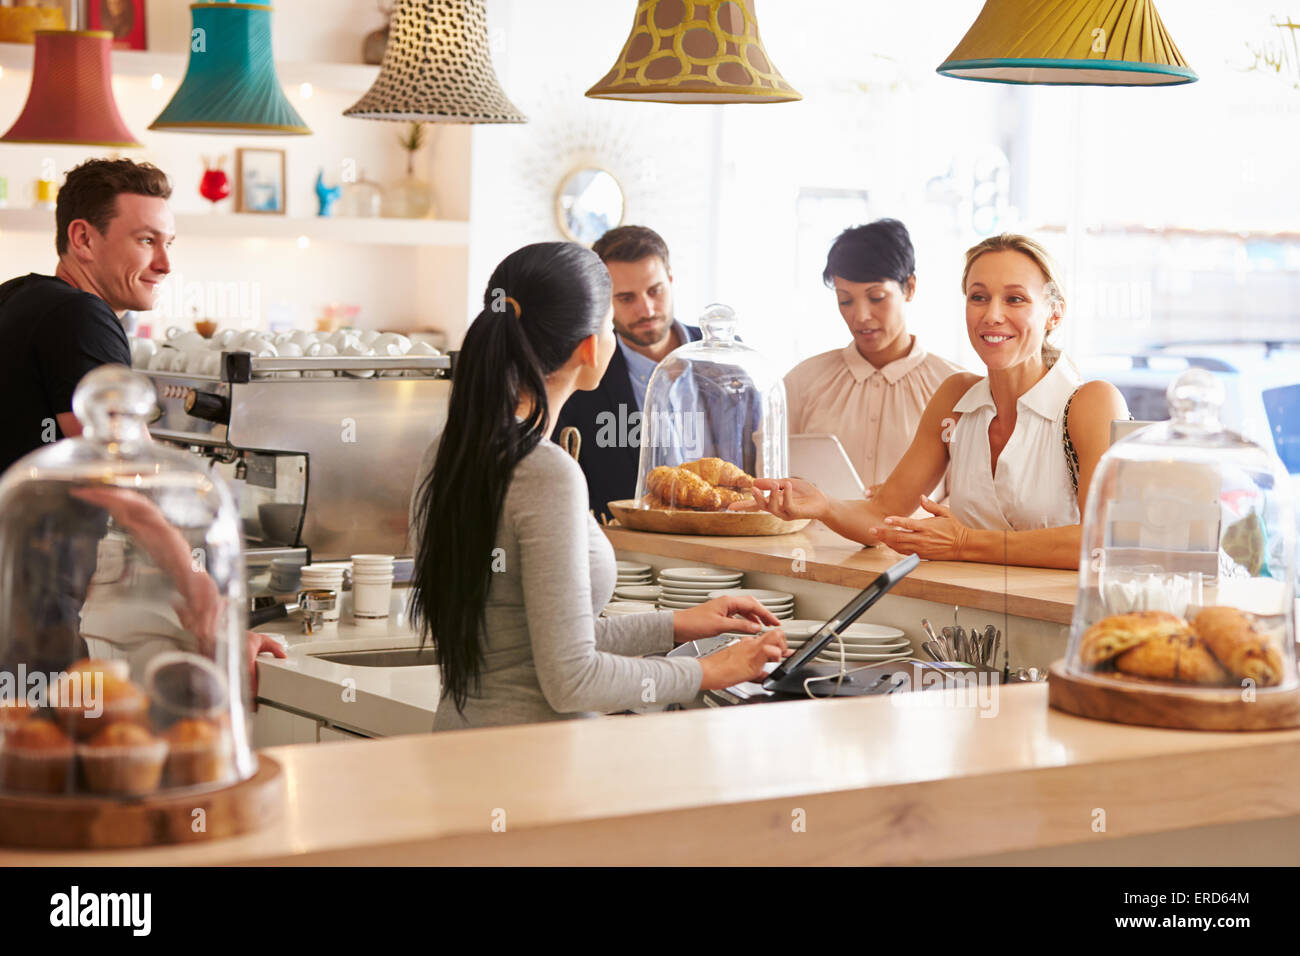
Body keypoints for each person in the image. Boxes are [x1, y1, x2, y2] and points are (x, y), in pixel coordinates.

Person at [410, 242, 788, 731]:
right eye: (611, 323)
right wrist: (707, 671)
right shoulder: (544, 471)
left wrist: (677, 624)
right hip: (532, 762)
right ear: (589, 347)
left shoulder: (449, 448)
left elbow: (533, 640)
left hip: (463, 743)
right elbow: (572, 678)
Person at [736, 234, 1130, 571]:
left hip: (1055, 627)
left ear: (1054, 314)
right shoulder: (955, 396)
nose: (992, 315)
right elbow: (882, 514)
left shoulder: (1091, 402)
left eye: (1015, 299)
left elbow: (1103, 543)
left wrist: (964, 544)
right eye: (979, 297)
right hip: (960, 622)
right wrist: (823, 506)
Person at [0, 158, 171, 474]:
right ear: (83, 239)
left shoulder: (17, 295)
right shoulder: (80, 316)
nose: (165, 264)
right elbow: (130, 473)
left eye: (168, 243)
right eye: (147, 240)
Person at [784, 219, 965, 490]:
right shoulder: (802, 383)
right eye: (845, 300)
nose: (861, 316)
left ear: (910, 288)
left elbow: (968, 499)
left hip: (920, 534)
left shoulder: (954, 387)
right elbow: (770, 473)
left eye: (877, 297)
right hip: (811, 534)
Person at [552, 225, 702, 522]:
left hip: (729, 545)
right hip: (626, 552)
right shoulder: (581, 374)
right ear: (603, 300)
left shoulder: (724, 357)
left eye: (655, 291)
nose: (646, 309)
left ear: (670, 279)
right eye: (626, 298)